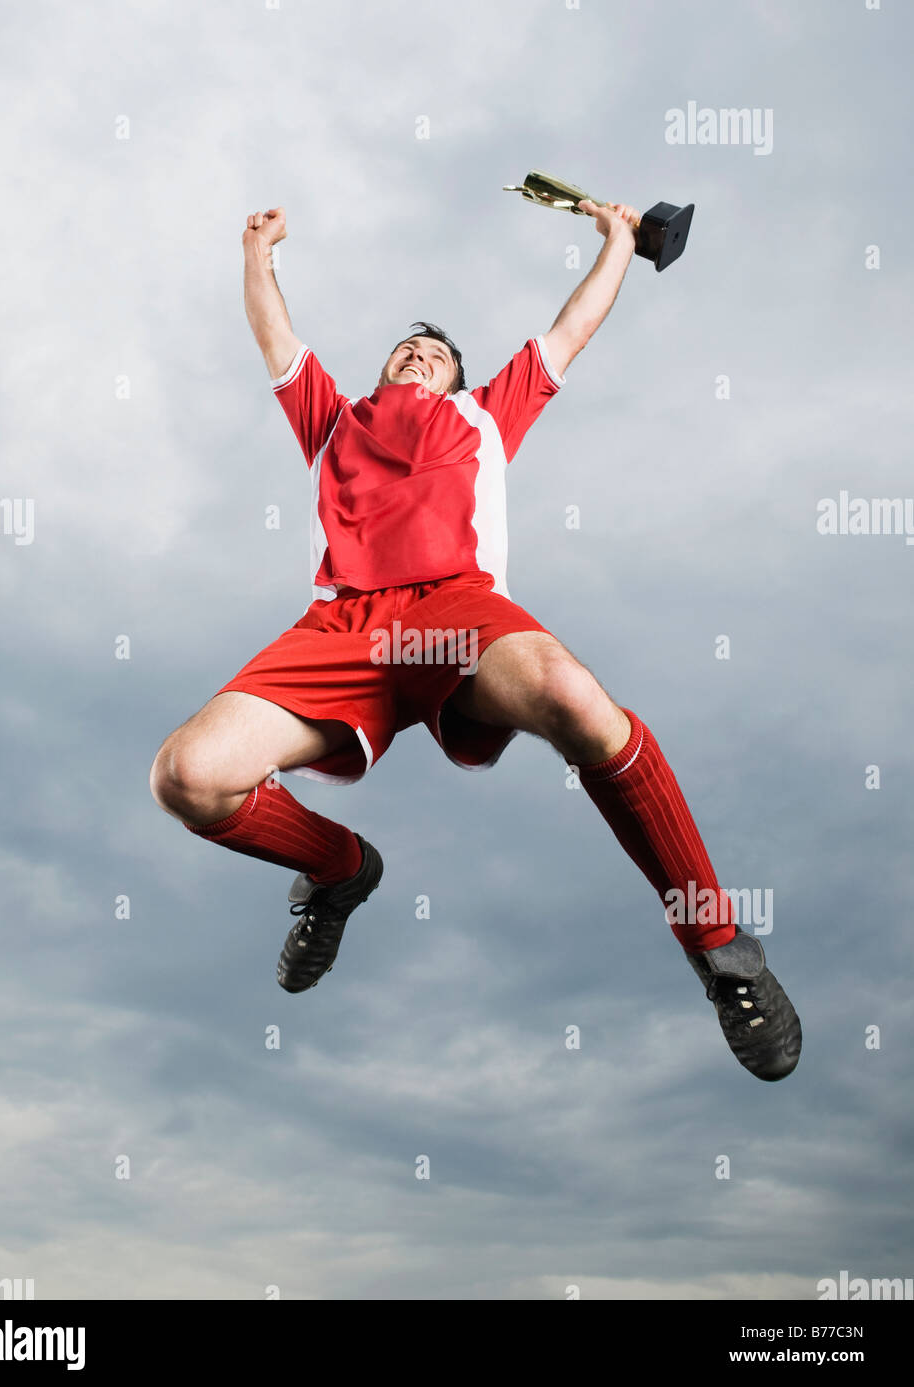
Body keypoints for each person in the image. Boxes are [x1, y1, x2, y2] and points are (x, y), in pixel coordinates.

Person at [150, 199, 802, 1082]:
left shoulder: (490, 415)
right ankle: (340, 870)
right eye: (406, 347)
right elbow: (273, 334)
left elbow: (573, 327)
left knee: (575, 698)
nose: (419, 353)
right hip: (340, 626)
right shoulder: (333, 420)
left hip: (456, 613)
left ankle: (719, 946)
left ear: (460, 379)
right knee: (186, 777)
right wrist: (256, 252)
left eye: (439, 352)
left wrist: (617, 241)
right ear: (382, 369)